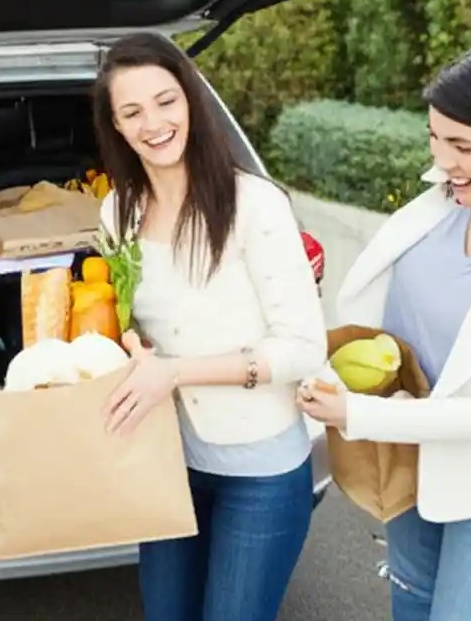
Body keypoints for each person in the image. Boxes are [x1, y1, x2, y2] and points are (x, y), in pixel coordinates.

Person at [299, 35, 471, 621]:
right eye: (434, 138)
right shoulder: (443, 200)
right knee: (411, 605)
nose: (442, 161)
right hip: (413, 459)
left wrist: (360, 415)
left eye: (463, 146)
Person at [92, 32, 328, 621]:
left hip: (261, 473)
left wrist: (173, 372)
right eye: (132, 111)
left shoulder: (255, 204)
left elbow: (303, 348)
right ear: (116, 127)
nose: (154, 123)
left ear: (192, 100)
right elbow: (135, 325)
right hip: (168, 461)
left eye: (166, 100)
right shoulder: (115, 212)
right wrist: (129, 351)